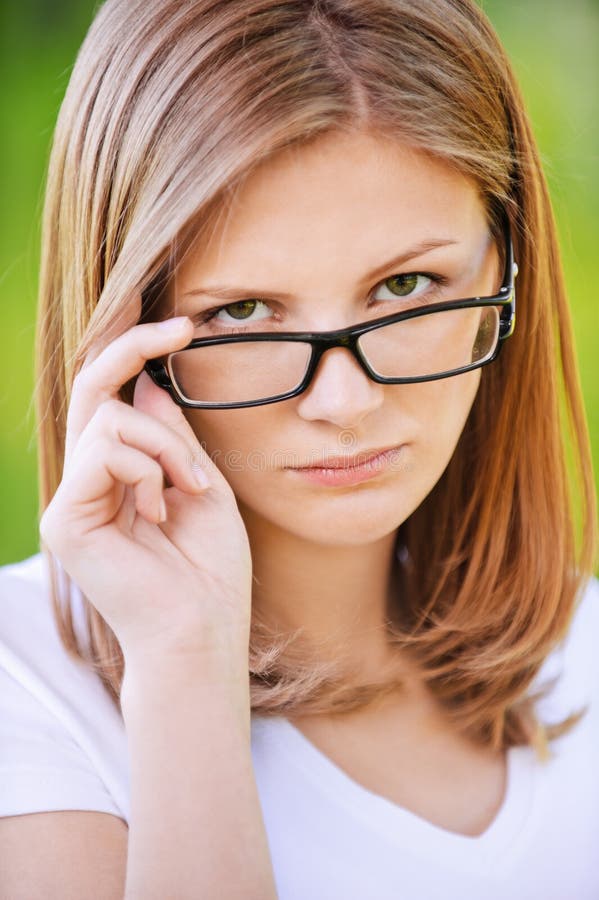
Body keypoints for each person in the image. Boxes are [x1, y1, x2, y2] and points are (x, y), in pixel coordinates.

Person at [0, 0, 597, 897]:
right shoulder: (26, 688)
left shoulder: (581, 645)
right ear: (119, 322)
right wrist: (182, 661)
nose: (345, 402)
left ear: (506, 270)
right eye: (240, 312)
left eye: (405, 286)